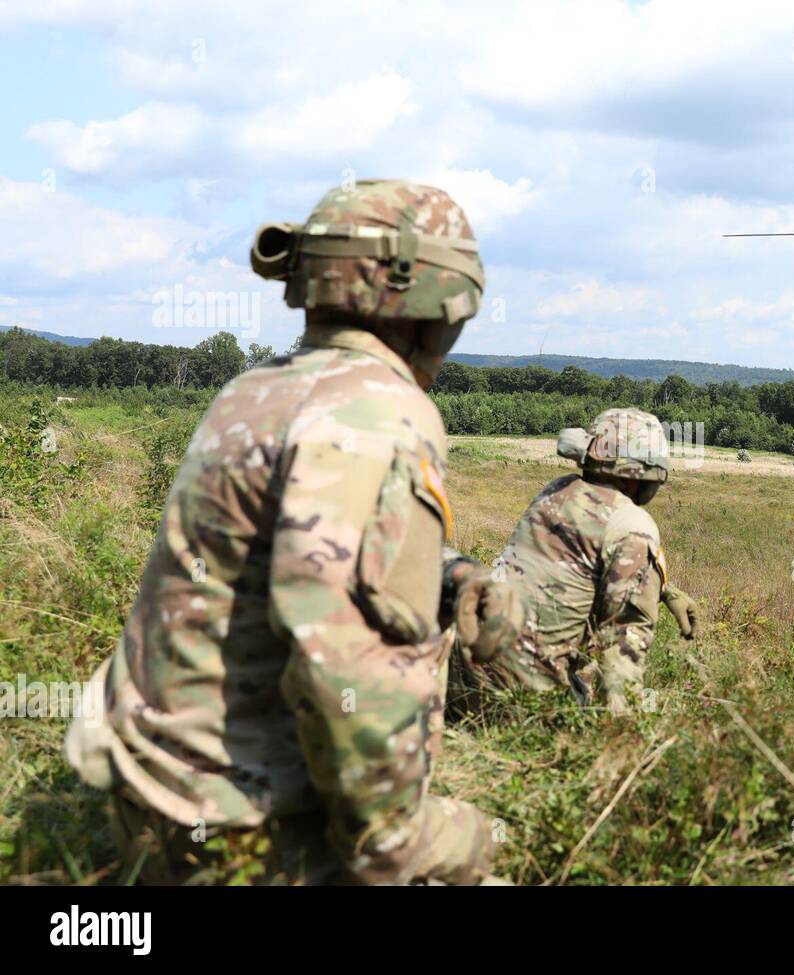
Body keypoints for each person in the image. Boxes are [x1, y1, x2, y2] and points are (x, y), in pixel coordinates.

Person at [65, 179, 521, 885]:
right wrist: (407, 841)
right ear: (435, 306)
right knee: (489, 845)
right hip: (235, 837)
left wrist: (452, 575)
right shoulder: (383, 413)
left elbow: (308, 536)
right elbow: (343, 664)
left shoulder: (257, 390)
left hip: (145, 797)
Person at [447, 408, 700, 719]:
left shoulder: (558, 490)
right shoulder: (633, 525)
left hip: (461, 679)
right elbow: (622, 649)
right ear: (645, 475)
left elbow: (572, 562)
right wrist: (621, 739)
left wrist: (664, 589)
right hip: (523, 703)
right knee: (623, 692)